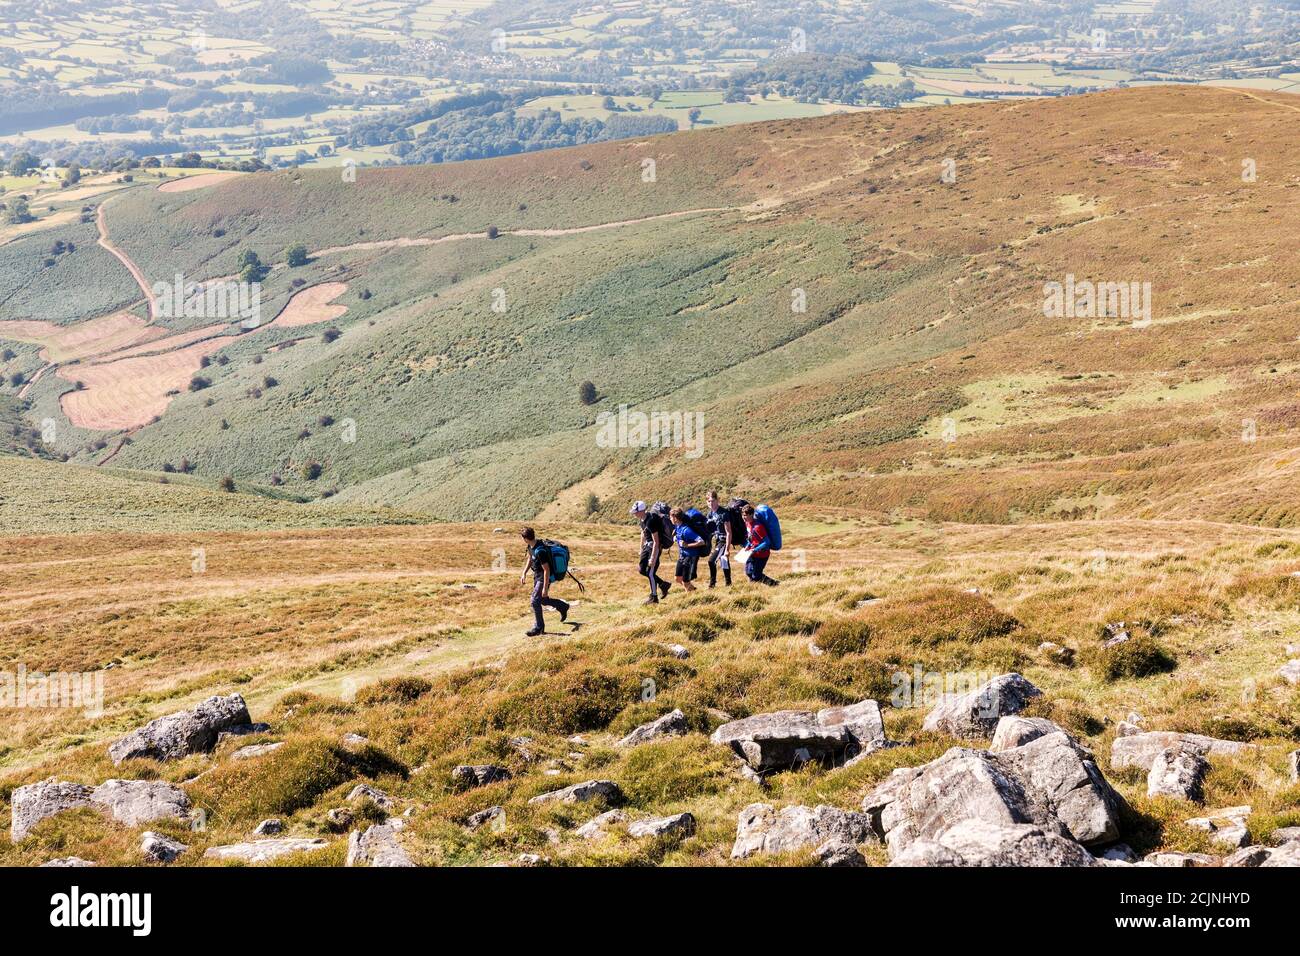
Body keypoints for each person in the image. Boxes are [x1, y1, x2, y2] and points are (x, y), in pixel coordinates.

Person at [519, 526, 569, 636]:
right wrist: (524, 573)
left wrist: (545, 588)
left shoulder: (540, 550)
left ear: (525, 538)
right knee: (542, 600)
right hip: (537, 576)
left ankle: (539, 628)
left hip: (543, 578)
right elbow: (530, 558)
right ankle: (563, 606)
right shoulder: (531, 546)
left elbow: (547, 570)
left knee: (534, 600)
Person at [631, 500, 671, 604]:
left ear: (642, 510)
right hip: (647, 547)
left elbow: (656, 541)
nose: (634, 514)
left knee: (650, 572)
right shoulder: (642, 519)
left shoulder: (651, 521)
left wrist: (653, 557)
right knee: (641, 570)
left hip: (654, 547)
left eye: (635, 512)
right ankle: (663, 584)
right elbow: (643, 533)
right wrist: (641, 548)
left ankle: (654, 597)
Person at [670, 507, 709, 592]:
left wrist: (687, 545)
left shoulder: (687, 530)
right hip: (682, 556)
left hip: (690, 557)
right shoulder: (678, 527)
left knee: (685, 581)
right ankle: (693, 590)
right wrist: (675, 538)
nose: (670, 519)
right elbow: (679, 537)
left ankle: (692, 597)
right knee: (677, 578)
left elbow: (701, 542)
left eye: (671, 517)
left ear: (675, 518)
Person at [741, 504, 779, 587]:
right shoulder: (747, 524)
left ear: (751, 515)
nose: (743, 517)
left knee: (756, 575)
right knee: (748, 572)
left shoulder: (758, 527)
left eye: (745, 515)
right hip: (752, 553)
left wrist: (755, 549)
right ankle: (753, 589)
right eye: (742, 515)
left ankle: (774, 584)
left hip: (762, 555)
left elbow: (766, 542)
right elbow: (751, 538)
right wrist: (747, 546)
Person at [704, 490, 733, 588]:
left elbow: (729, 532)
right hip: (717, 541)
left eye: (713, 501)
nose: (711, 503)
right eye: (709, 501)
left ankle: (712, 584)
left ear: (717, 500)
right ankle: (729, 584)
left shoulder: (723, 513)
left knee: (711, 561)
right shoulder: (710, 514)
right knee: (724, 560)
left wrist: (727, 549)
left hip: (724, 540)